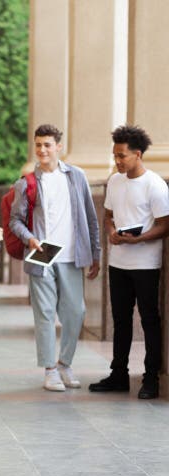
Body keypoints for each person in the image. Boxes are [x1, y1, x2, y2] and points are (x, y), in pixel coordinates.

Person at [9, 124, 101, 392]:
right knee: (45, 313)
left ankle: (65, 363)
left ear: (59, 146)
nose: (42, 150)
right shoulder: (27, 183)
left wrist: (95, 252)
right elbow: (15, 221)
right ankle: (49, 369)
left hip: (72, 254)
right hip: (42, 253)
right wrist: (30, 239)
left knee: (76, 311)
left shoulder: (76, 177)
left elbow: (90, 217)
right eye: (38, 145)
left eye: (47, 145)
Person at [89, 125, 169, 399]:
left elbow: (164, 225)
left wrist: (140, 239)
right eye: (115, 156)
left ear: (137, 154)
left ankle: (151, 379)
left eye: (122, 156)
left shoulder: (155, 185)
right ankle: (118, 375)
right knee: (120, 320)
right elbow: (108, 214)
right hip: (118, 263)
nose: (117, 161)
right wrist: (111, 231)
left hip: (146, 264)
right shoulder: (115, 181)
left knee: (149, 320)